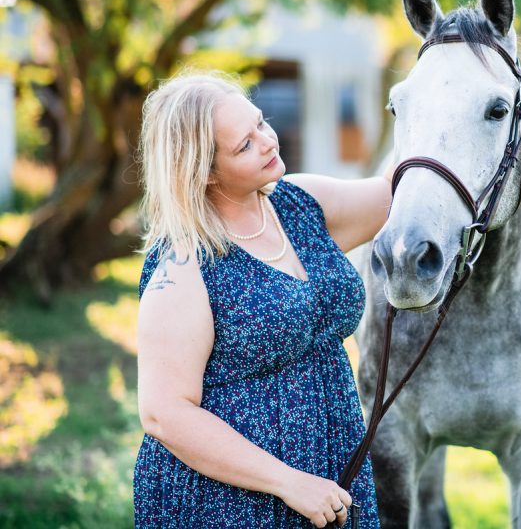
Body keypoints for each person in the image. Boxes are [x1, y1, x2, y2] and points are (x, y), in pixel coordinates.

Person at [133, 70, 390, 528]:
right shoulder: (185, 261)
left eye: (260, 123)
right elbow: (164, 413)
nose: (268, 141)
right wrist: (289, 482)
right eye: (244, 145)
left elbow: (400, 192)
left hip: (331, 468)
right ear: (206, 173)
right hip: (230, 502)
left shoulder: (300, 205)